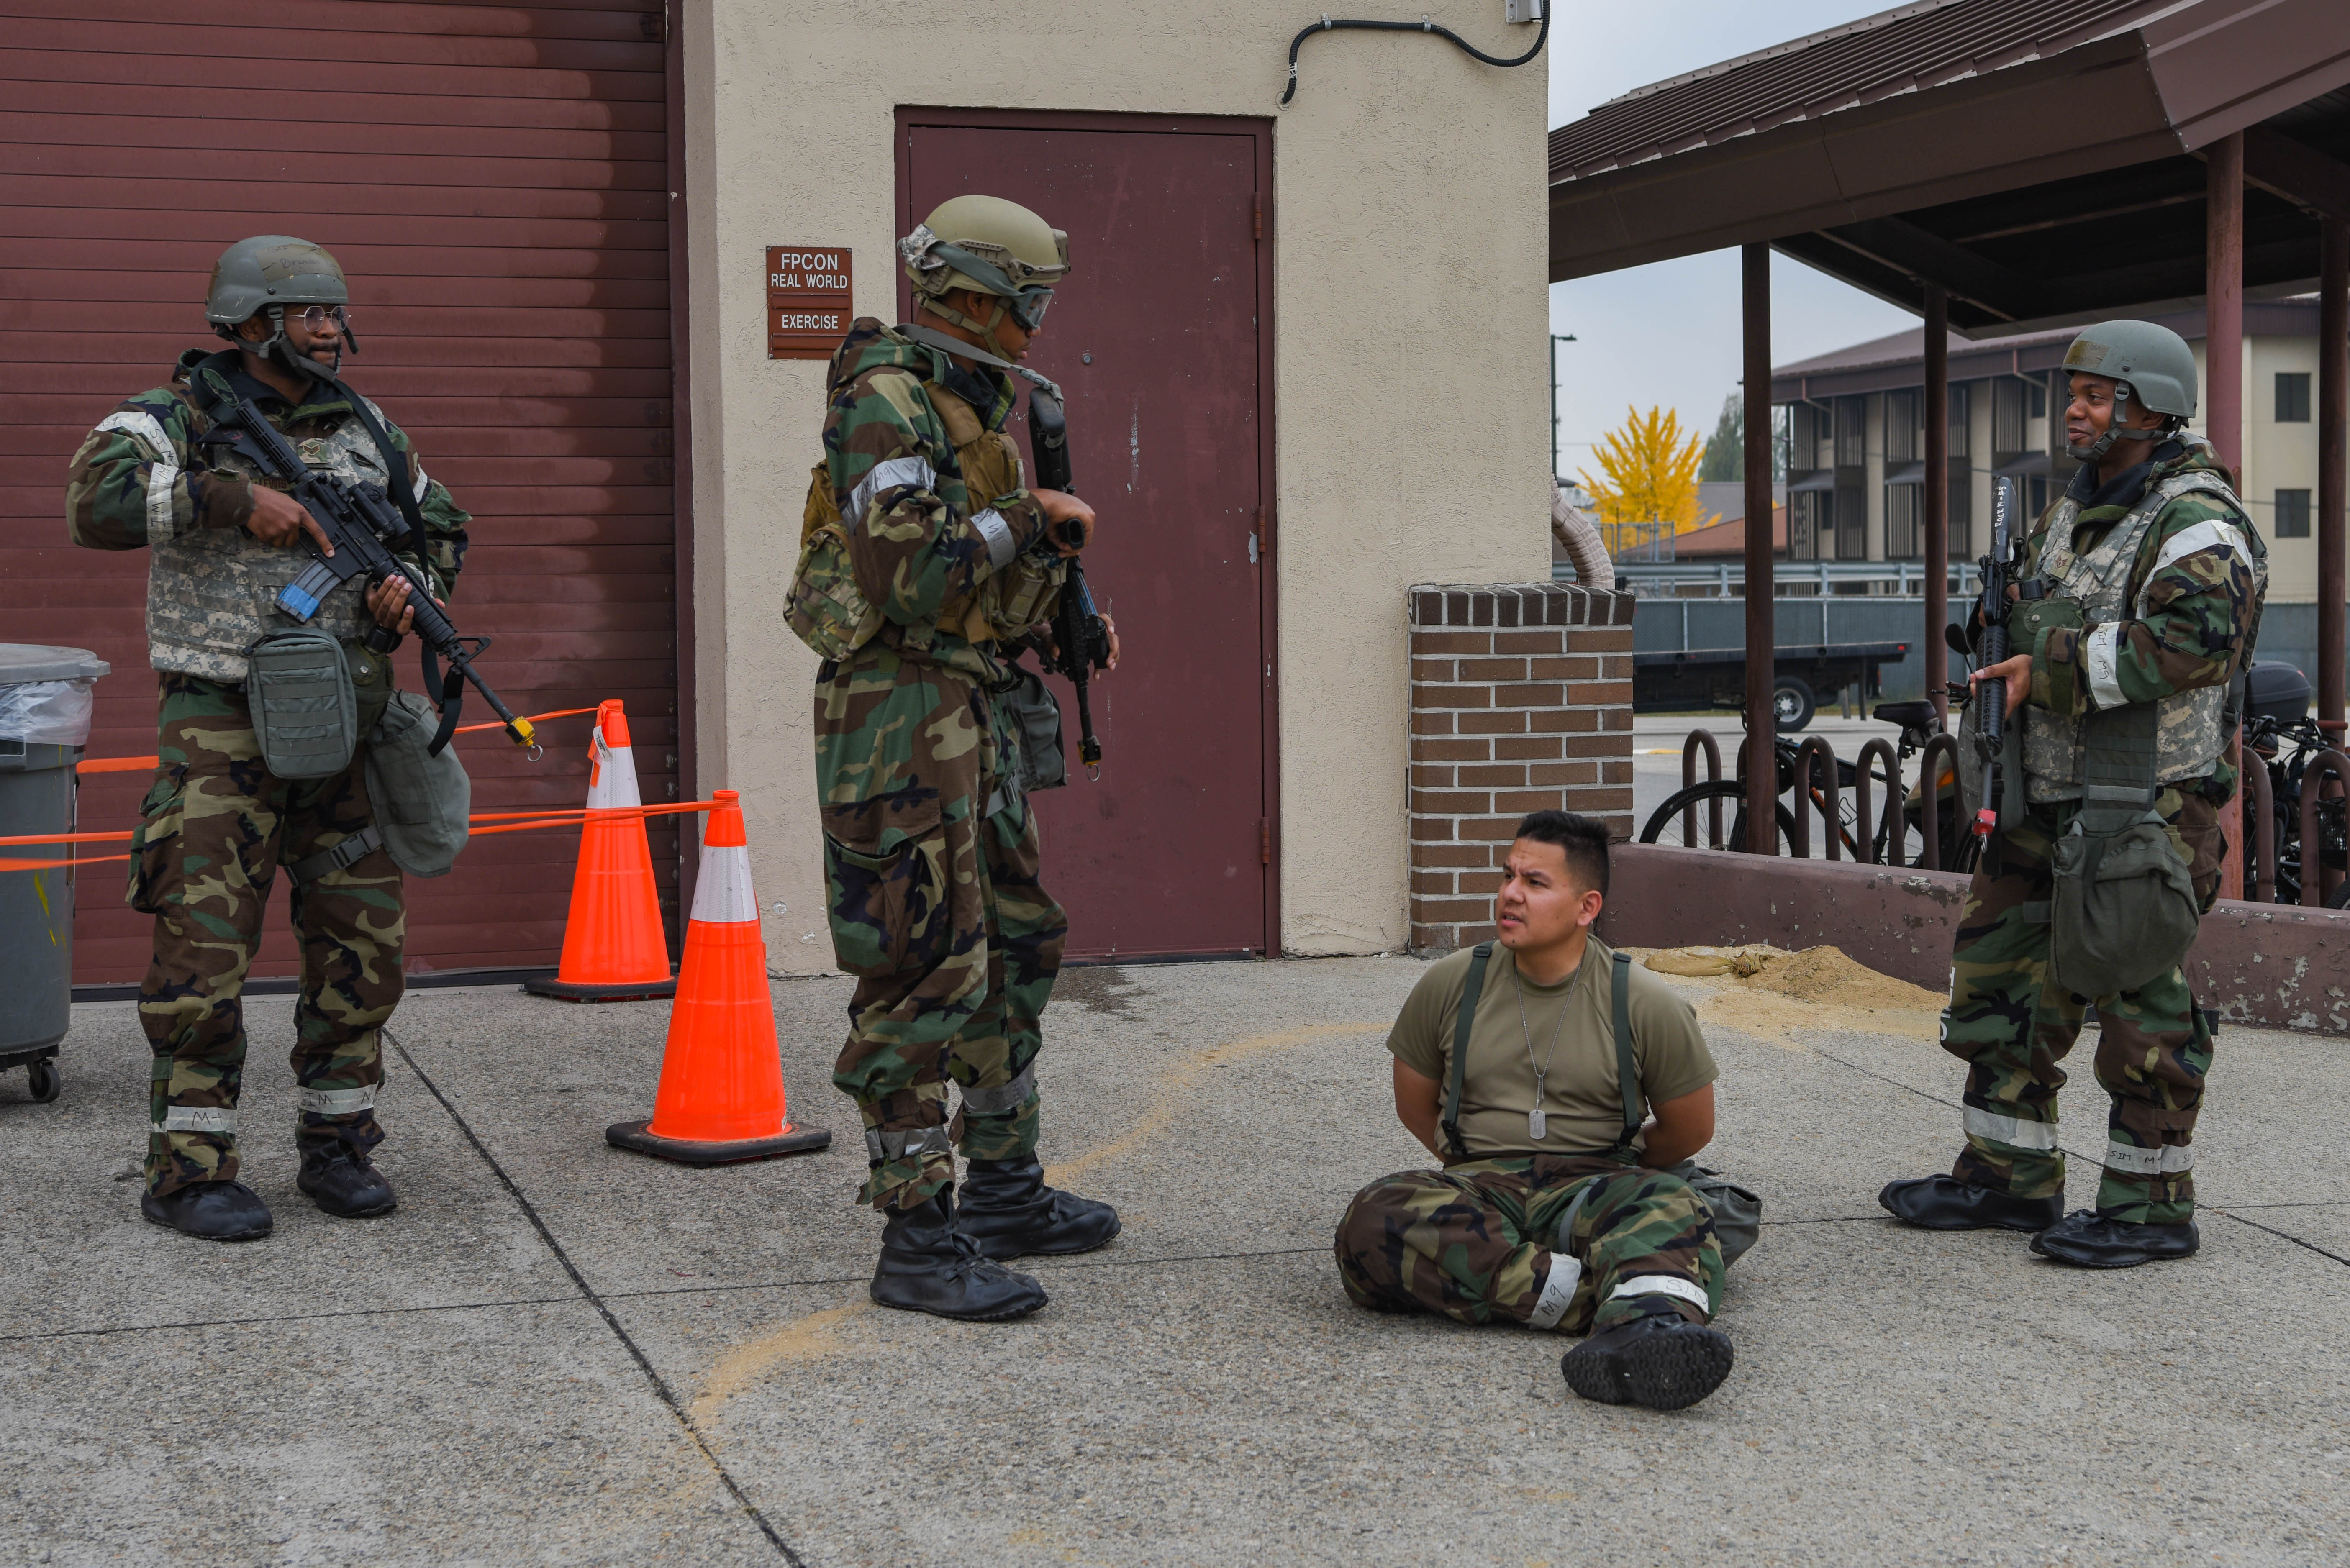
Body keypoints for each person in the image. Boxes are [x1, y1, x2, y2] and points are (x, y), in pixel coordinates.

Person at [65, 236, 468, 1242]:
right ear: (252, 322)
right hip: (222, 724)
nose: (334, 331)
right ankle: (190, 1167)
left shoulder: (370, 427)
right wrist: (231, 497)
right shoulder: (173, 417)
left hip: (350, 722)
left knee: (362, 945)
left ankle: (339, 1142)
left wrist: (415, 588)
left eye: (336, 314)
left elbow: (441, 526)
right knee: (203, 953)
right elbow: (92, 501)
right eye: (314, 315)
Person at [1881, 318, 2267, 1269]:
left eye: (2100, 396)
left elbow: (2191, 645)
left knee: (2140, 1003)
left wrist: (2044, 662)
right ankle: (2005, 1176)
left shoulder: (2197, 519)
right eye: (2076, 393)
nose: (2078, 411)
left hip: (2142, 805)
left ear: (2153, 406)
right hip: (2044, 797)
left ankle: (2148, 1204)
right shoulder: (2076, 507)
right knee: (2001, 982)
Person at [800, 194, 1123, 1323]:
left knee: (1016, 941)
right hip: (899, 714)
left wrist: (1058, 609)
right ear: (977, 294)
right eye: (1029, 302)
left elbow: (970, 579)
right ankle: (918, 1235)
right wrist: (1028, 522)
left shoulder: (970, 400)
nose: (1037, 327)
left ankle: (1005, 1187)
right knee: (920, 962)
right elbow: (910, 579)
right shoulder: (887, 401)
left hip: (968, 703)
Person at [1334, 810, 1736, 1412]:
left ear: (1587, 906)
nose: (1510, 895)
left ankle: (1649, 1333)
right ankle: (1615, 1308)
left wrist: (1618, 1172)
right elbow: (1414, 1104)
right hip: (1480, 1184)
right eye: (1507, 876)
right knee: (1373, 1218)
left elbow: (1690, 1128)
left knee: (1673, 1205)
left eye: (1535, 883)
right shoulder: (1451, 985)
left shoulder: (1644, 1002)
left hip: (1597, 1182)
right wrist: (1474, 1169)